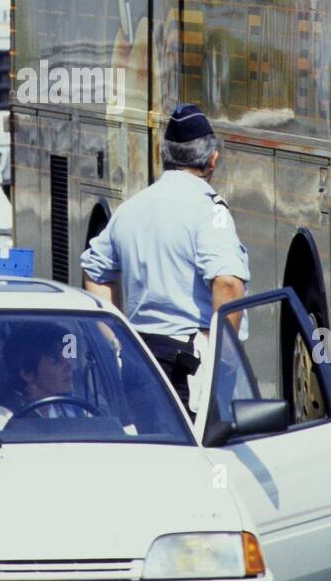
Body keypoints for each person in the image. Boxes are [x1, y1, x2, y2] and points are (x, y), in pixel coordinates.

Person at [80, 103, 248, 411]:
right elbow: (227, 284)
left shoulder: (131, 208)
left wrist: (116, 341)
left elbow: (94, 271)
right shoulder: (210, 211)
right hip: (189, 366)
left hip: (139, 358)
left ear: (163, 154)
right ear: (213, 160)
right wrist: (221, 361)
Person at [0, 323, 79, 431]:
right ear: (27, 374)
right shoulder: (1, 418)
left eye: (69, 359)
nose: (69, 367)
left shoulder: (74, 410)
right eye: (56, 362)